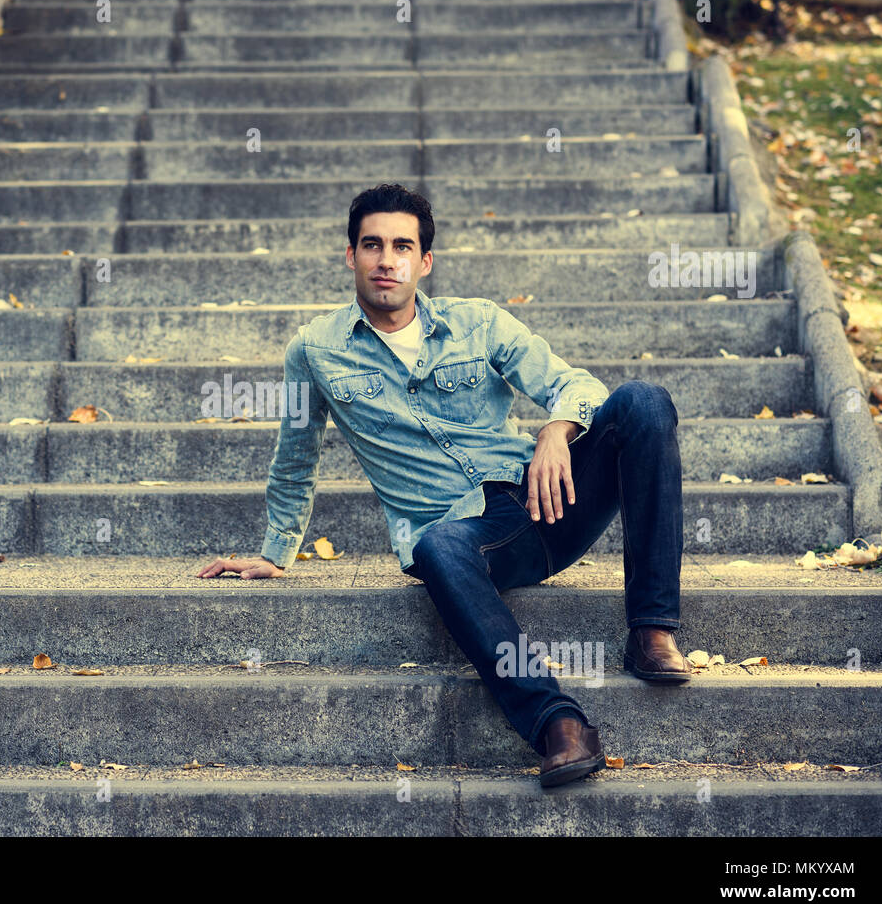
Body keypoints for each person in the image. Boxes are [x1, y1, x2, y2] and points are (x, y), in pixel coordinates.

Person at [198, 182, 691, 787]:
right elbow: (295, 454)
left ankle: (651, 630)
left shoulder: (478, 323)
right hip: (467, 540)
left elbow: (575, 385)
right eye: (372, 245)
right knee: (432, 545)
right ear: (350, 255)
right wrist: (277, 552)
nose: (387, 260)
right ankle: (559, 724)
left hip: (551, 501)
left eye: (402, 246)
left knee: (642, 402)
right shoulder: (314, 352)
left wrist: (556, 432)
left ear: (424, 262)